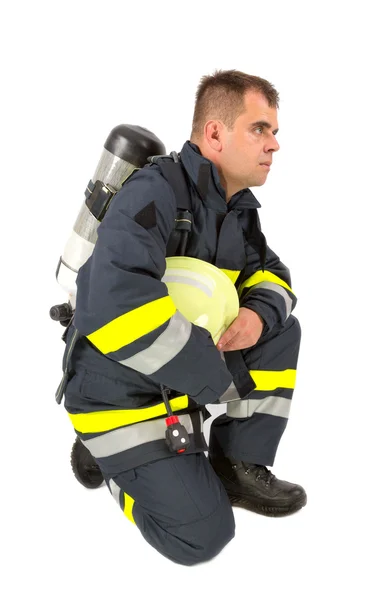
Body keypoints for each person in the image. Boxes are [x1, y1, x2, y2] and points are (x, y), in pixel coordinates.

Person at [62, 69, 306, 566]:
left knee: (279, 325)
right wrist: (214, 380)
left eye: (275, 132)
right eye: (260, 128)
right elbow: (114, 302)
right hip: (113, 388)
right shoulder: (155, 192)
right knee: (204, 537)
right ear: (214, 133)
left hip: (171, 375)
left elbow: (274, 276)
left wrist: (258, 317)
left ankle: (237, 461)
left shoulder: (235, 210)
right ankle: (103, 457)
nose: (274, 145)